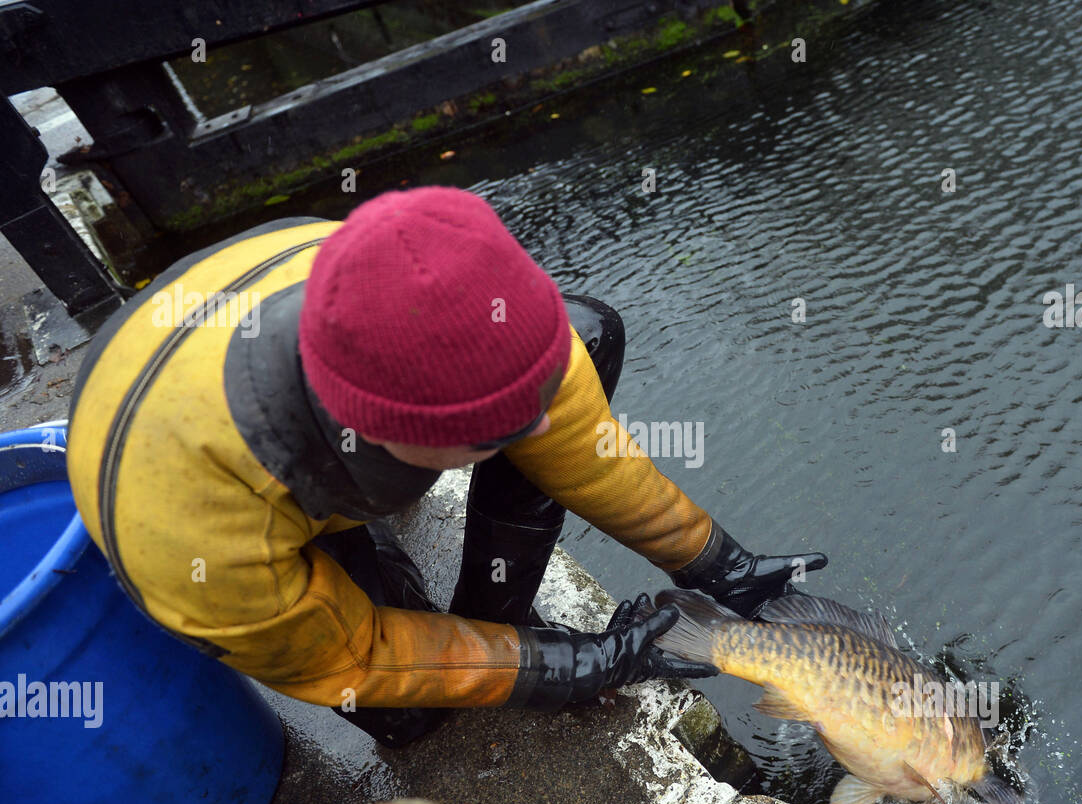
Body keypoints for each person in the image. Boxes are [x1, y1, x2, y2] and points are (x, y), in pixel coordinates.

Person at [66, 186, 826, 747]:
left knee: (584, 336)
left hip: (292, 371)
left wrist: (716, 563)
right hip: (205, 489)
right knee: (406, 712)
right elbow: (359, 655)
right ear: (390, 434)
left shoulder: (430, 288)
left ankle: (491, 608)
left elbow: (577, 439)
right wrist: (583, 664)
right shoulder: (194, 537)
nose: (538, 429)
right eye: (496, 433)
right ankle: (359, 549)